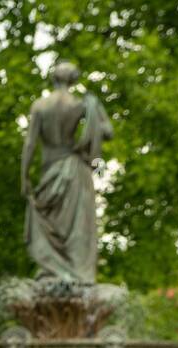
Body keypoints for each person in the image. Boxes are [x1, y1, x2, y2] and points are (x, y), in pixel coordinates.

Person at [20, 61, 113, 285]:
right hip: (75, 171)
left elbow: (30, 144)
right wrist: (95, 113)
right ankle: (76, 273)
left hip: (50, 171)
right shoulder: (81, 105)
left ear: (54, 78)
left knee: (50, 223)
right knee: (76, 228)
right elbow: (108, 132)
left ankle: (54, 272)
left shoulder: (40, 106)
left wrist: (23, 176)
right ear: (73, 80)